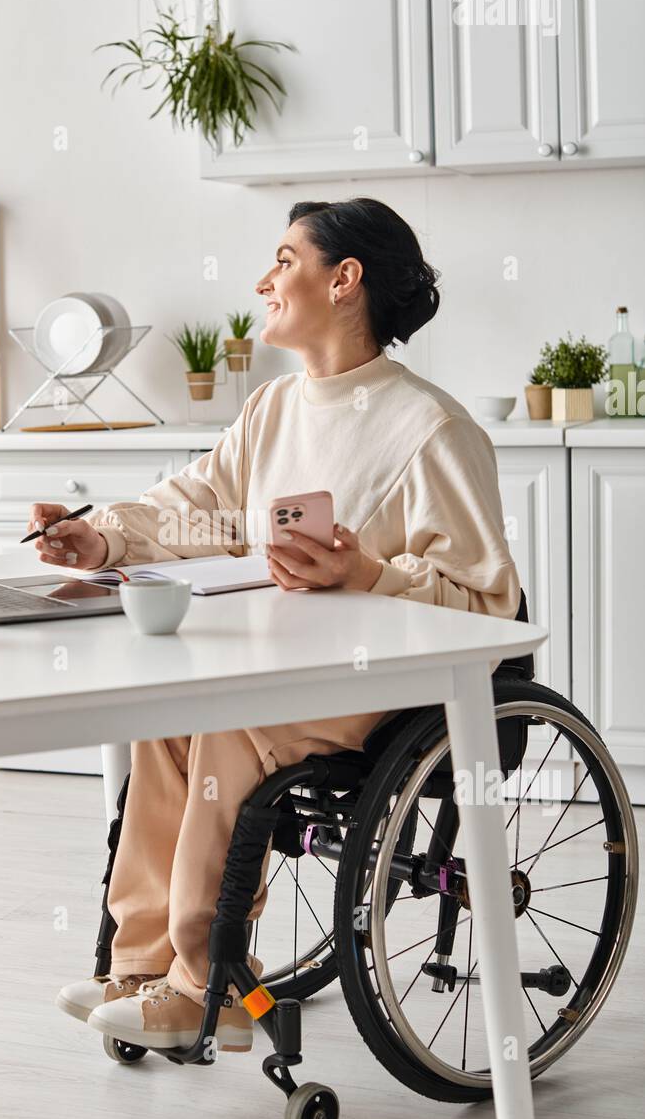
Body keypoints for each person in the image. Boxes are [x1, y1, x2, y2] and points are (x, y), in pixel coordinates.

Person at [31, 197, 520, 1053]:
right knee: (168, 720)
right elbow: (193, 511)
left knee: (227, 723)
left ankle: (204, 985)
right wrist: (100, 534)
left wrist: (367, 574)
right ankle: (142, 967)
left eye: (284, 260)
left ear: (344, 280)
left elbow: (487, 603)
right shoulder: (271, 410)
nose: (264, 280)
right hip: (294, 667)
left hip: (388, 683)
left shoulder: (433, 428)